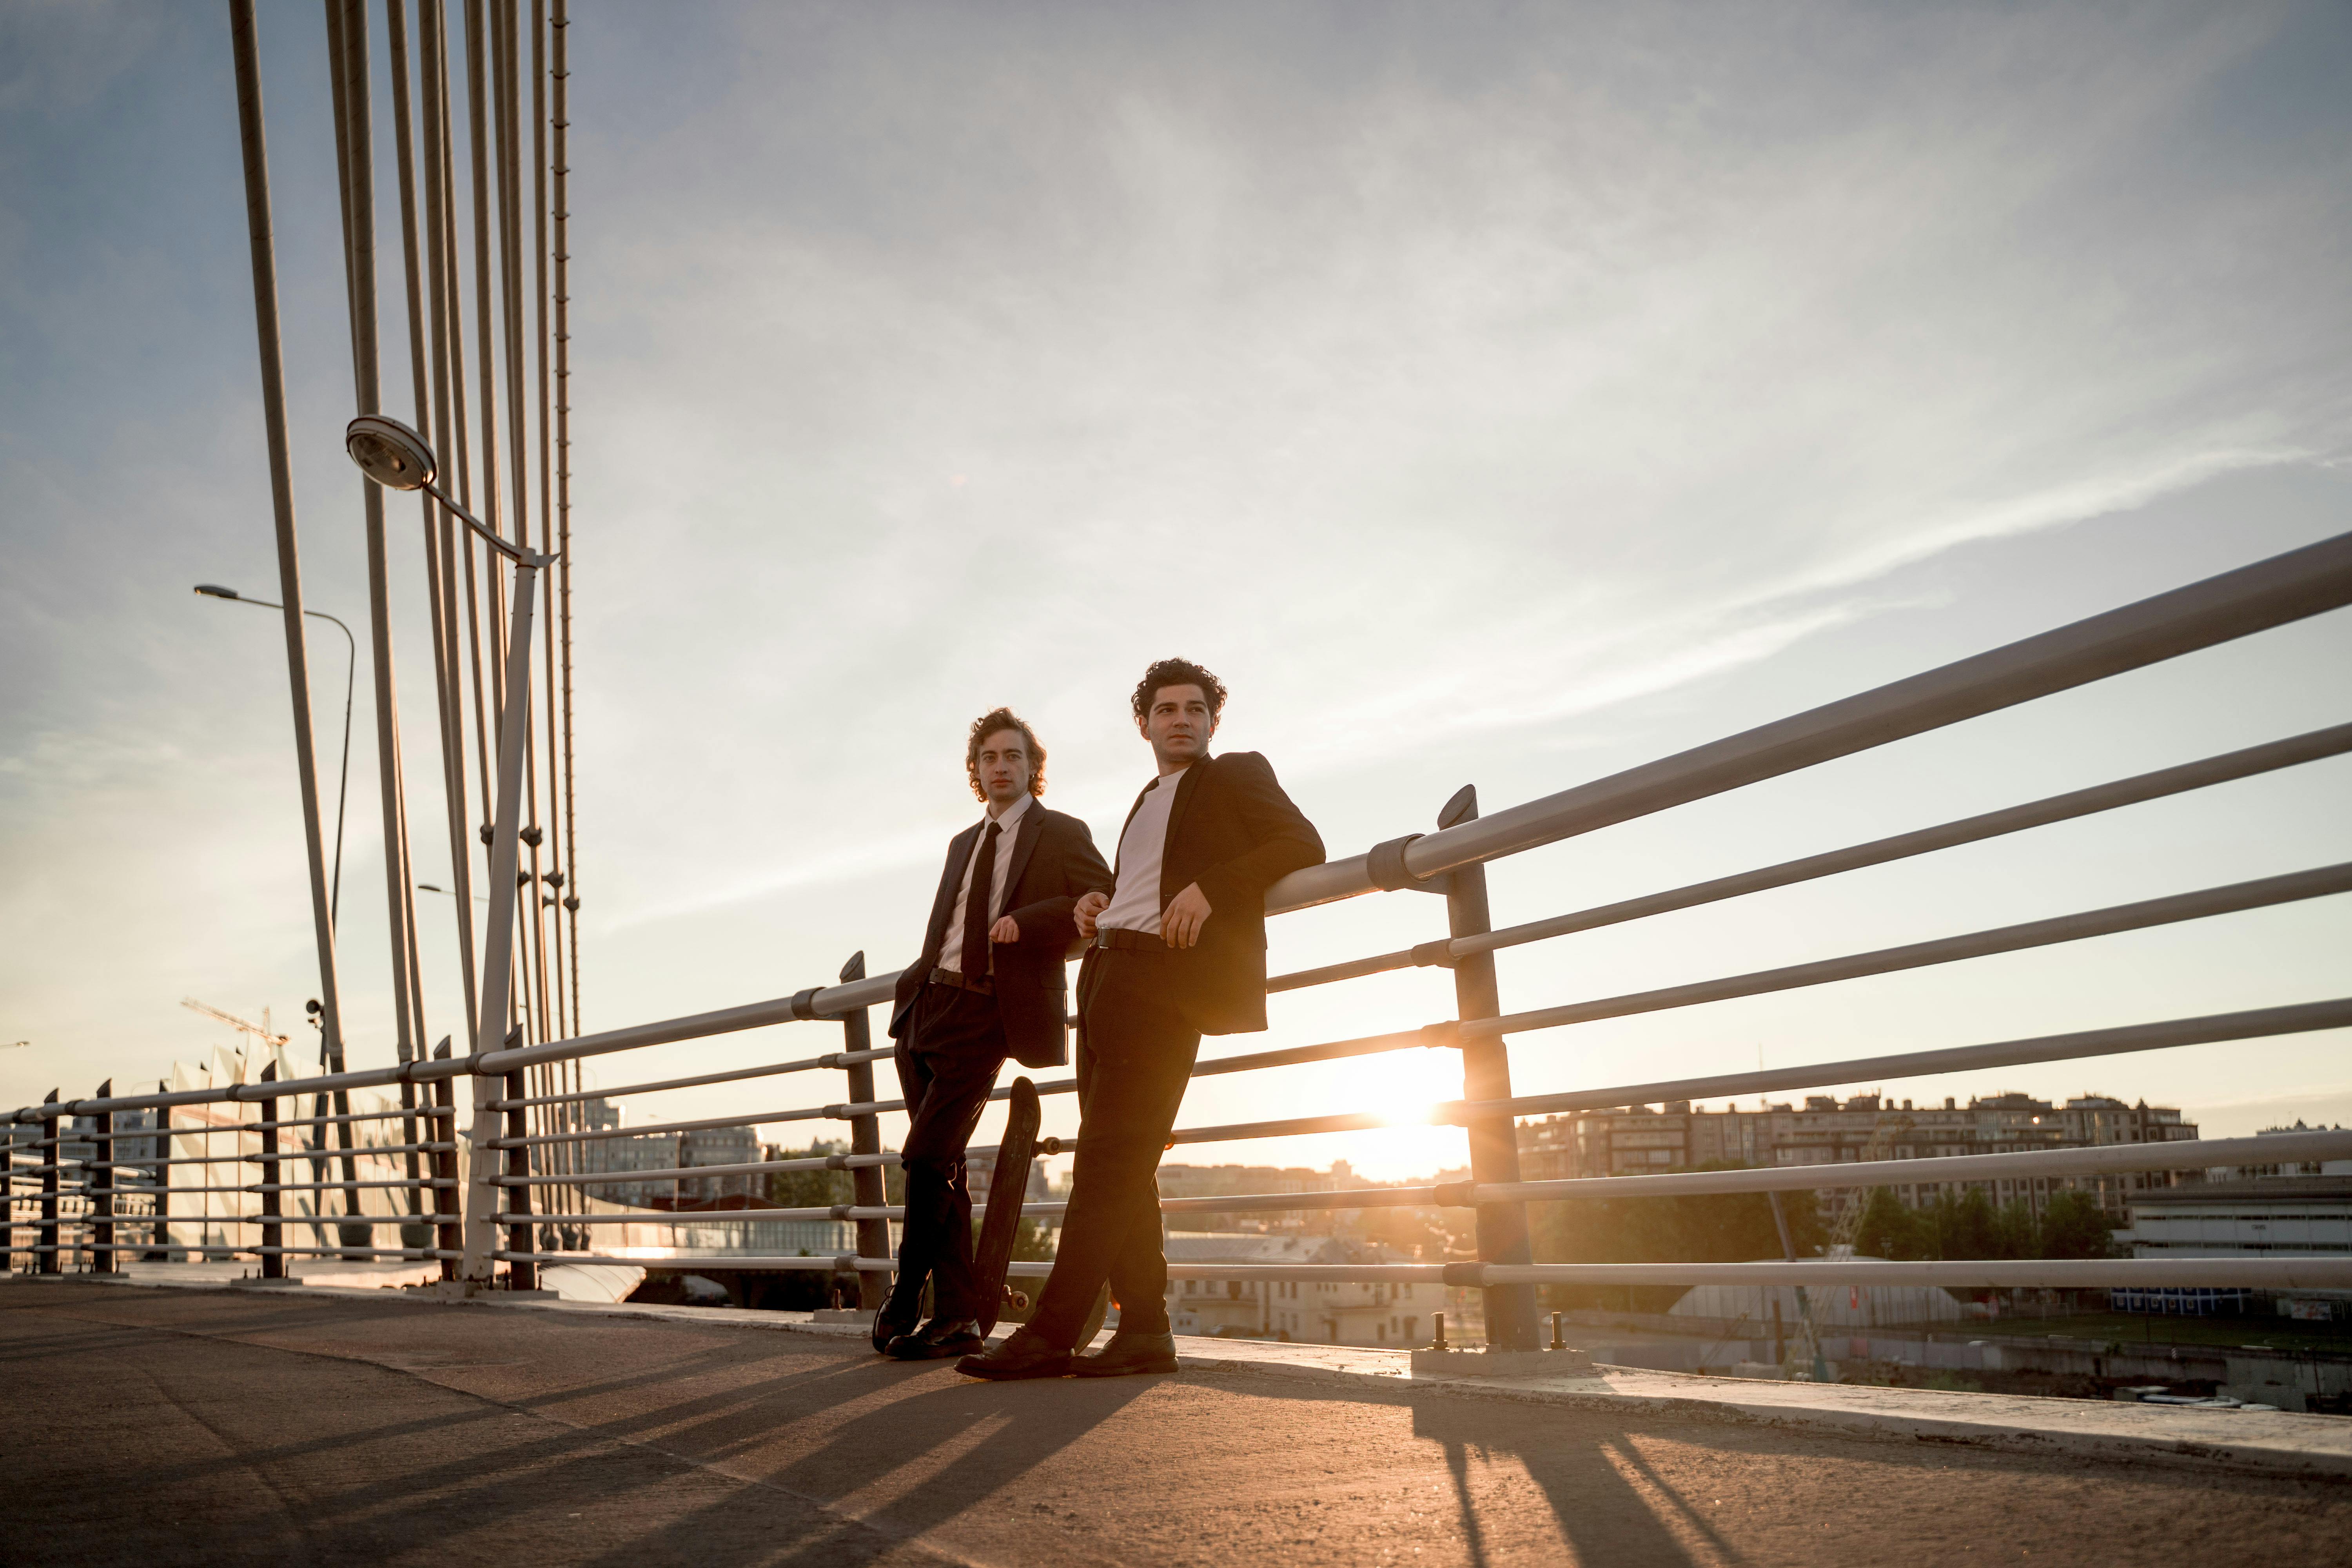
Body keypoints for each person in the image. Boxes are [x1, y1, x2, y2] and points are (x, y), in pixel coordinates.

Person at [959, 659, 1323, 1379]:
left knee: (1105, 1162)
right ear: (1145, 724)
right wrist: (1102, 906)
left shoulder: (1236, 775)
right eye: (1166, 710)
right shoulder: (1146, 797)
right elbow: (1137, 885)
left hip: (1164, 983)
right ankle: (1147, 1329)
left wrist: (1211, 890)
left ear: (1213, 722)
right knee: (1121, 1161)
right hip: (1105, 975)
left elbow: (1301, 845)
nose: (1181, 719)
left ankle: (1054, 1332)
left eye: (1195, 709)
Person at [874, 708, 1111, 1359]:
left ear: (1034, 768)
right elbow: (945, 928)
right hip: (926, 1006)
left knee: (924, 1157)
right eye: (989, 758)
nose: (1001, 767)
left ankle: (905, 1294)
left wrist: (1026, 921)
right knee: (940, 1164)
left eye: (1014, 756)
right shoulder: (961, 843)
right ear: (976, 772)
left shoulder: (1062, 832)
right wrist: (917, 991)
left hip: (988, 1013)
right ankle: (956, 1318)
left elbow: (1103, 896)